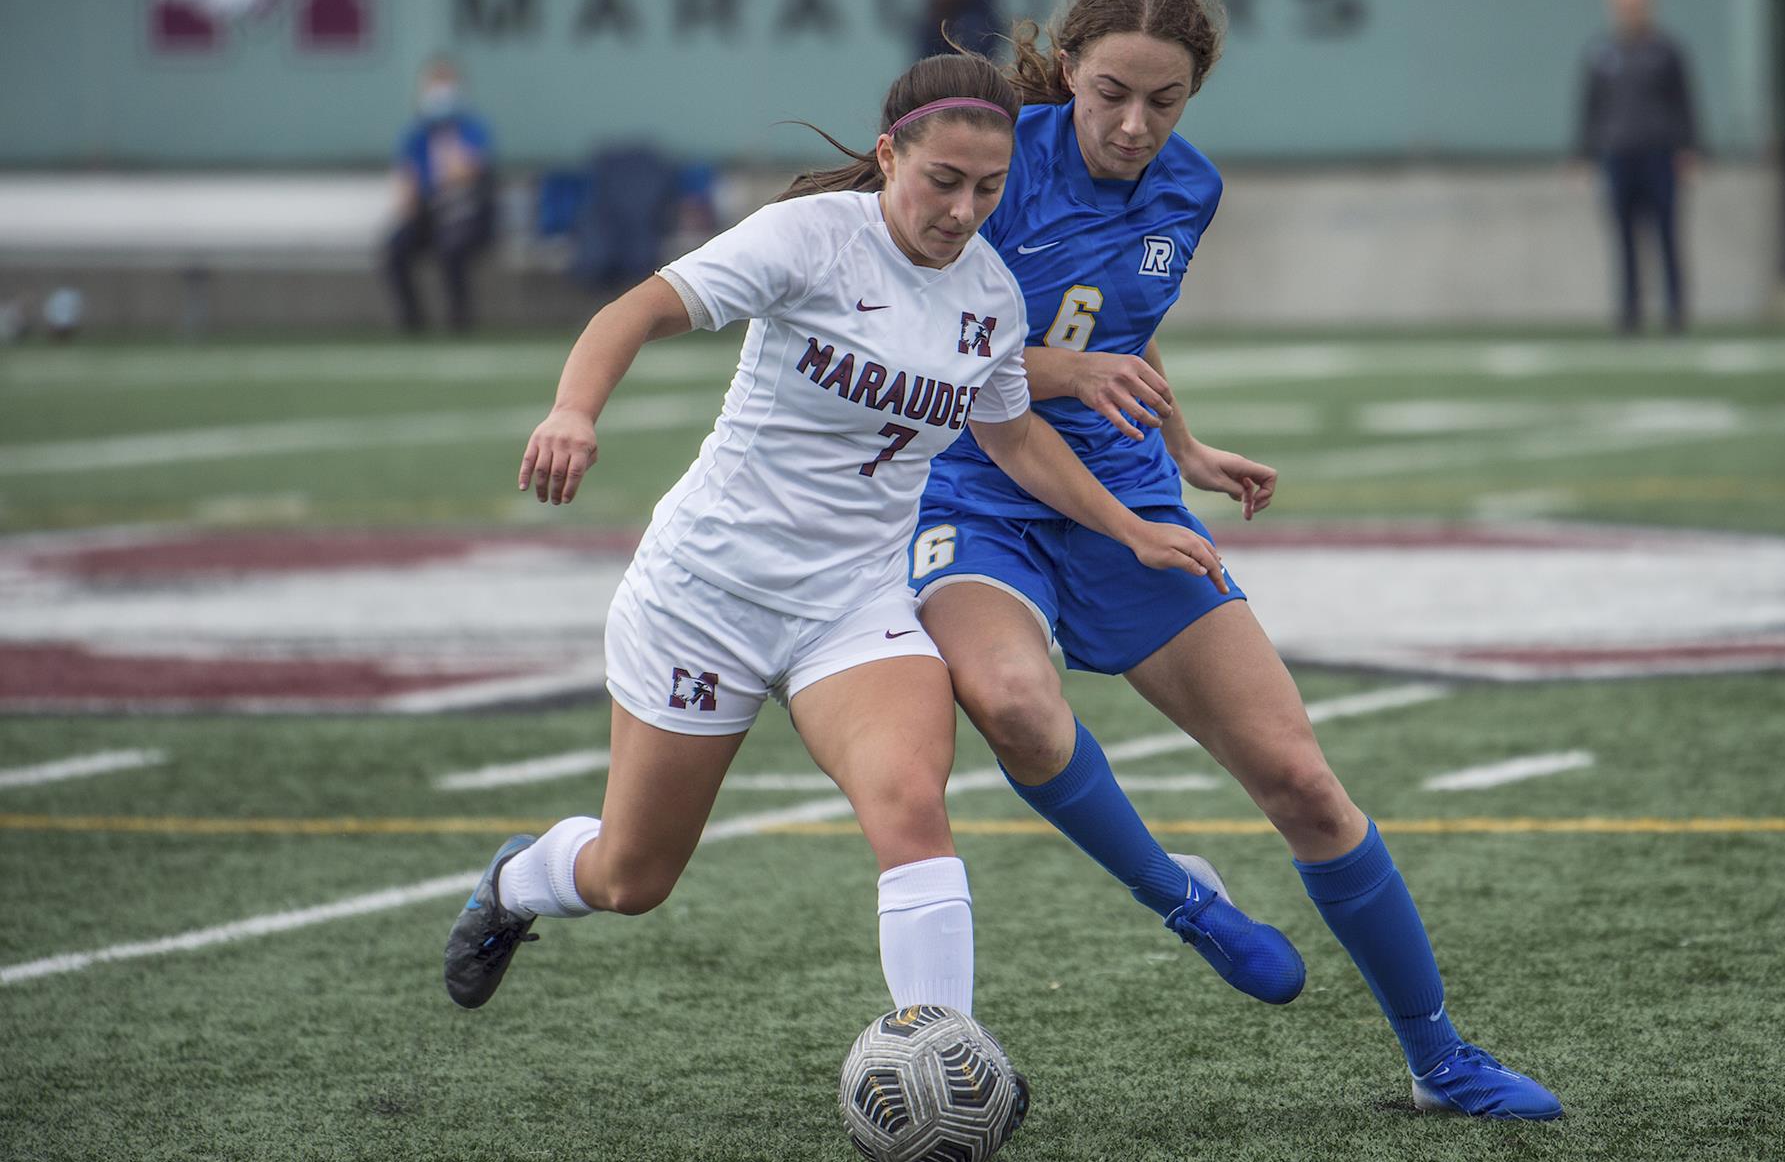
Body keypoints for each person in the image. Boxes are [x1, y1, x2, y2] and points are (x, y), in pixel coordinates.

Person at [442, 55, 1231, 1107]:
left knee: (910, 805)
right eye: (943, 180)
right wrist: (573, 411)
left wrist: (1132, 527)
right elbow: (634, 309)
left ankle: (950, 1066)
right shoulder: (808, 238)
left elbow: (1014, 440)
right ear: (890, 155)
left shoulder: (991, 296)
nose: (963, 211)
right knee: (631, 876)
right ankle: (515, 880)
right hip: (708, 596)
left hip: (852, 603)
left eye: (988, 188)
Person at [910, 0, 1565, 1120]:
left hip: (1123, 485)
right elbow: (937, 347)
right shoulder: (994, 165)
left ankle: (1439, 1059)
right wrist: (1074, 378)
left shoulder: (1189, 190)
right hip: (973, 490)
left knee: (1301, 779)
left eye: (1163, 102)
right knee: (1012, 700)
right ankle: (1181, 897)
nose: (1133, 125)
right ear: (1068, 71)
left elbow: (1120, 328)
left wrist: (1185, 443)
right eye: (1111, 93)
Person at [1576, 0, 1701, 335]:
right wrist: (1584, 153)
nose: (1628, 9)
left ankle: (1675, 313)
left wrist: (1689, 148)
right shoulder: (1601, 52)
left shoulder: (1666, 51)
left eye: (1634, 2)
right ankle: (1629, 314)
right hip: (1618, 154)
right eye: (1622, 2)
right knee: (1624, 239)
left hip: (1659, 153)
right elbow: (1591, 106)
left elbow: (1684, 102)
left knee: (1667, 235)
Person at [384, 56, 496, 334]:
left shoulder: (472, 128)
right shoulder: (416, 133)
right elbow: (405, 180)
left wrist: (447, 147)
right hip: (429, 213)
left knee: (452, 248)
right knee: (395, 248)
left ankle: (459, 320)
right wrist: (408, 197)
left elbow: (467, 170)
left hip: (466, 216)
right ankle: (412, 321)